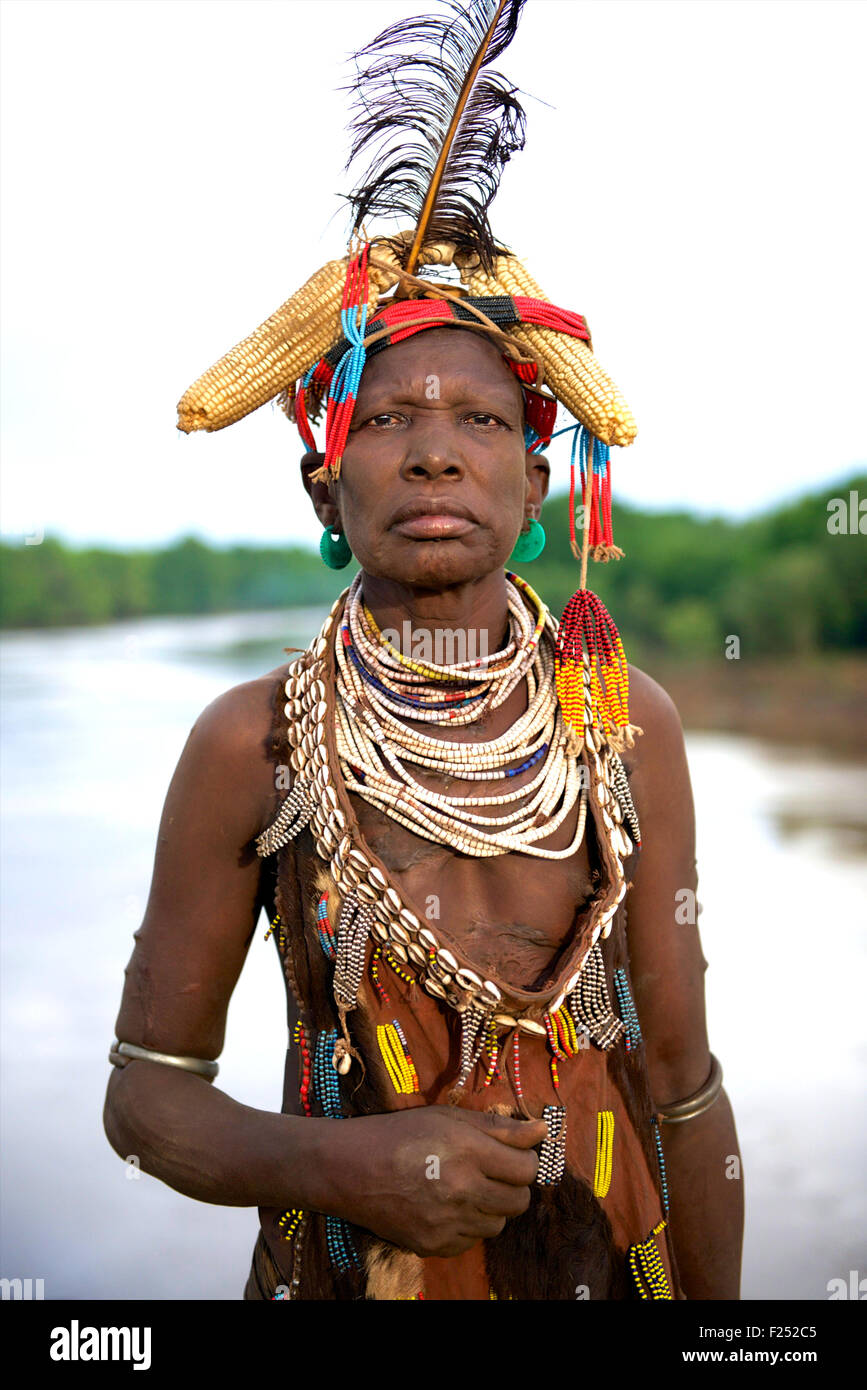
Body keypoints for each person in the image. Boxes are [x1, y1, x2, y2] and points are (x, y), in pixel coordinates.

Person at [103, 0, 743, 1300]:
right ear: (322, 487)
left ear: (542, 479)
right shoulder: (254, 743)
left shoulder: (624, 725)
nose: (437, 447)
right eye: (388, 415)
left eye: (485, 421)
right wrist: (350, 1168)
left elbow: (683, 1087)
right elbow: (147, 1101)